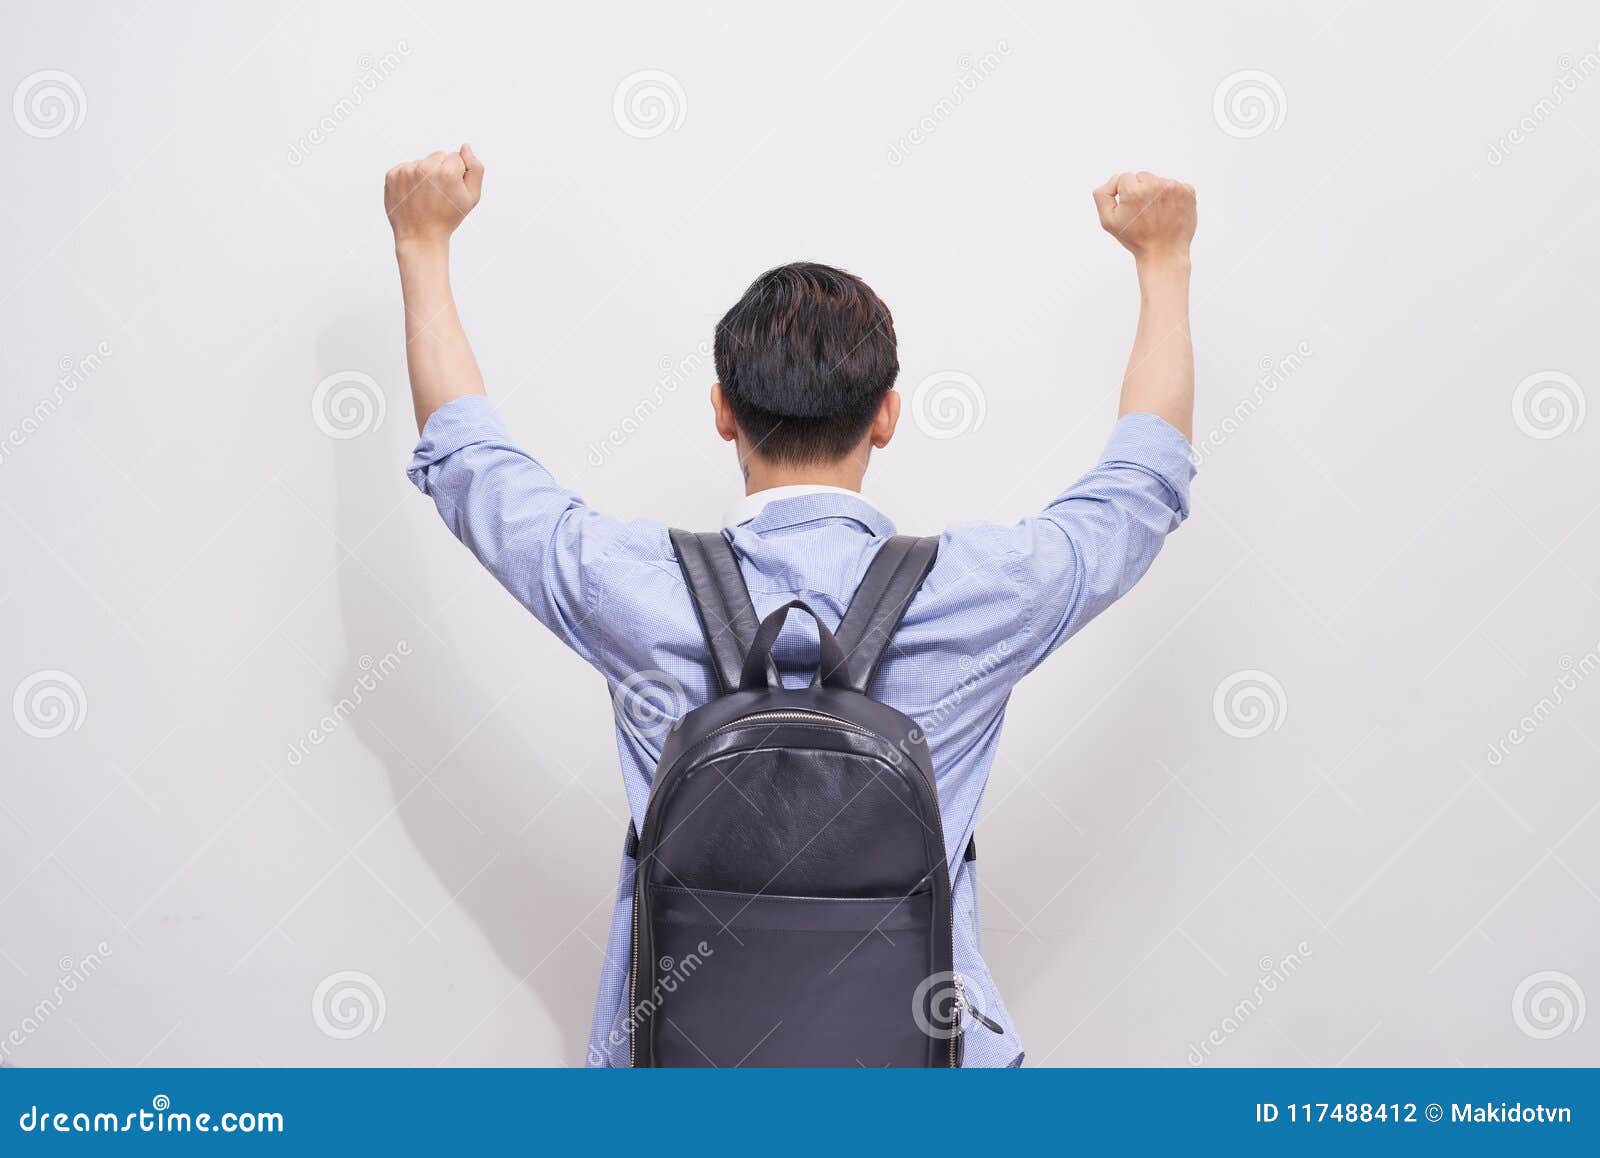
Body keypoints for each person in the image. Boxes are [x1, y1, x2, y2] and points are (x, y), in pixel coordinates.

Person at [386, 145, 1197, 1067]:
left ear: (723, 411)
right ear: (886, 415)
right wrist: (1162, 260)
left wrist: (423, 241)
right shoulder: (987, 591)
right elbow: (1142, 485)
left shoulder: (628, 585)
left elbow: (470, 467)